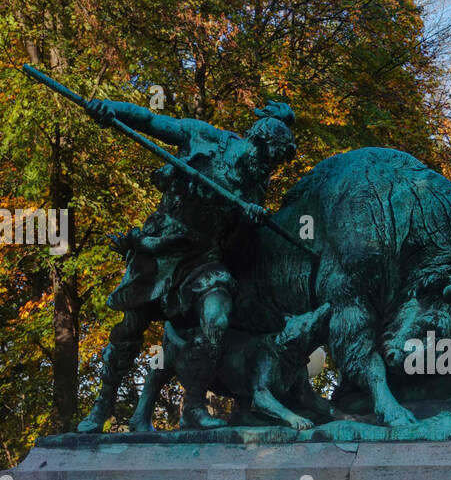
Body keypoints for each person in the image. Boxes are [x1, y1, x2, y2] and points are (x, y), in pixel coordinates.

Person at [76, 100, 297, 431]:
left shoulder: (256, 185)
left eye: (275, 166)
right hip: (162, 247)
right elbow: (150, 120)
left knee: (218, 317)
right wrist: (110, 110)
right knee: (129, 331)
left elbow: (236, 246)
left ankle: (193, 406)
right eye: (268, 159)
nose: (269, 169)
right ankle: (101, 407)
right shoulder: (205, 139)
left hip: (203, 259)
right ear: (256, 142)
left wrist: (249, 221)